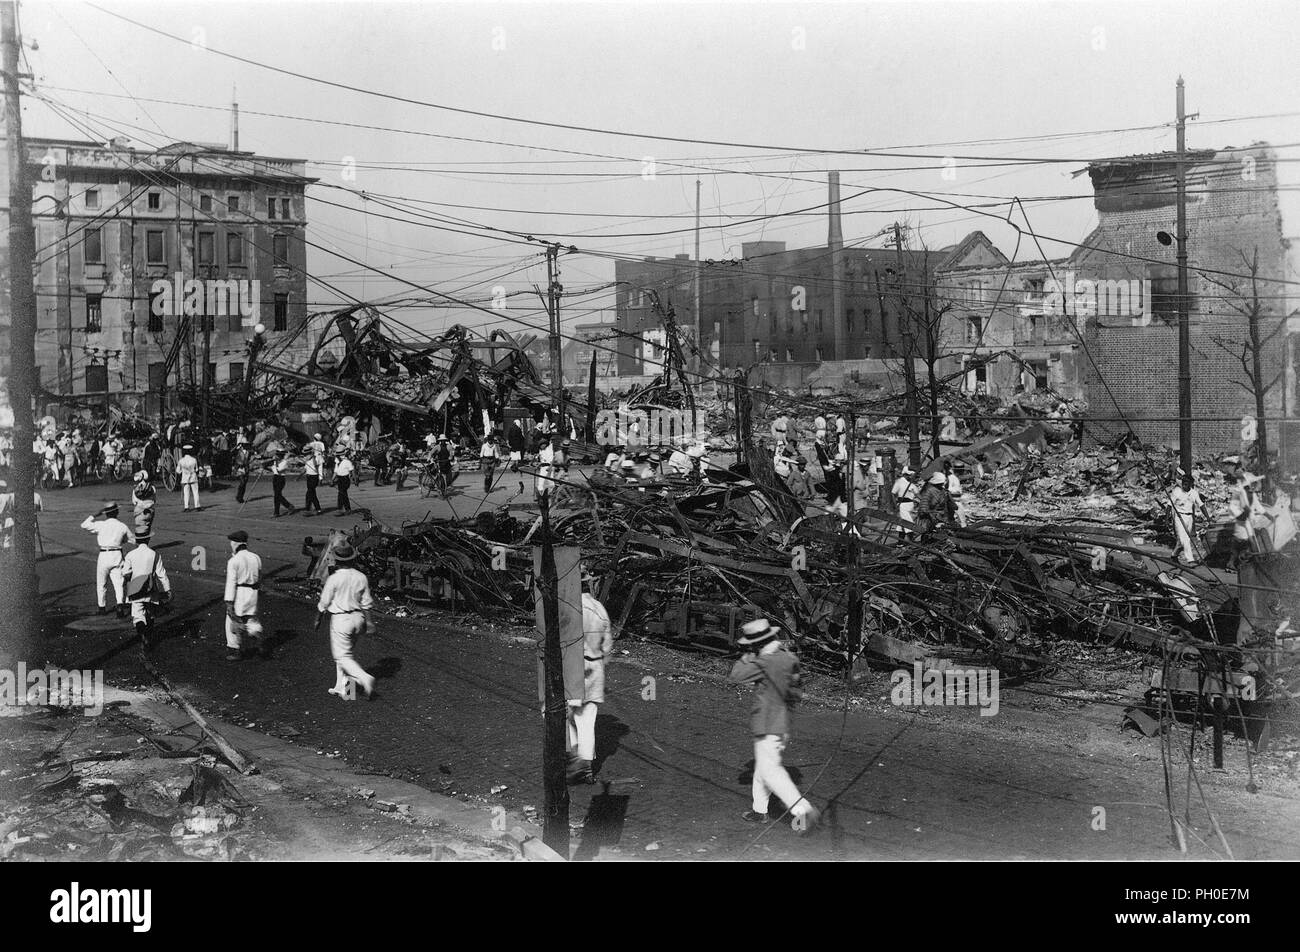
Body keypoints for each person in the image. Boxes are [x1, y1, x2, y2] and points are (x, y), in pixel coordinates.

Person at [729, 618, 819, 831]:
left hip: (766, 724)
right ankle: (759, 811)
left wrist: (749, 653)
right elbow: (795, 692)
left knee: (771, 771)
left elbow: (735, 676)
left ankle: (802, 810)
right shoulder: (789, 658)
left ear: (756, 643)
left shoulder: (762, 662)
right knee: (763, 768)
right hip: (782, 723)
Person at [568, 569, 613, 785]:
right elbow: (608, 647)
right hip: (596, 669)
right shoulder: (600, 609)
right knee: (587, 720)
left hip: (576, 666)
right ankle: (585, 767)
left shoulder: (573, 608)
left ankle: (573, 757)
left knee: (560, 713)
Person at [315, 544, 377, 698]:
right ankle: (345, 690)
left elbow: (324, 602)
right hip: (359, 618)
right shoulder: (361, 576)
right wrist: (369, 623)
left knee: (342, 657)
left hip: (341, 620)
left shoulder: (334, 578)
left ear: (337, 561)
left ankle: (365, 678)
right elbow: (366, 602)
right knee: (347, 654)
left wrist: (318, 619)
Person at [119, 514, 171, 649]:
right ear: (148, 539)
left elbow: (125, 573)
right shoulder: (154, 554)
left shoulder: (130, 555)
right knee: (151, 612)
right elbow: (161, 574)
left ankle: (143, 636)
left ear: (137, 540)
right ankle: (149, 634)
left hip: (135, 586)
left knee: (138, 615)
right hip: (150, 587)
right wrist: (167, 589)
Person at [81, 502, 131, 616]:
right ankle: (119, 605)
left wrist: (94, 515)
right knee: (118, 582)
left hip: (104, 554)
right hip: (117, 554)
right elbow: (131, 539)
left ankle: (102, 607)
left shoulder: (101, 525)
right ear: (117, 512)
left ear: (106, 514)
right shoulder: (122, 526)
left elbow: (84, 525)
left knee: (101, 583)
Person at [223, 529, 265, 661]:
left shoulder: (234, 561)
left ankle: (235, 649)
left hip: (240, 592)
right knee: (251, 618)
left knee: (233, 620)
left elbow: (231, 582)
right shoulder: (256, 557)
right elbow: (260, 577)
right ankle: (257, 638)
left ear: (235, 544)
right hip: (253, 592)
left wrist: (229, 602)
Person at [1169, 474, 1207, 565]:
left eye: (1187, 482)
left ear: (1191, 483)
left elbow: (1201, 505)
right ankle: (1190, 560)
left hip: (1189, 517)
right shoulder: (1177, 491)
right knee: (1185, 539)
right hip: (1179, 516)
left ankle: (1174, 555)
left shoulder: (1194, 493)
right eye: (1183, 482)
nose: (1184, 484)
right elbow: (1169, 505)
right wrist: (1168, 519)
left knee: (1182, 541)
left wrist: (1208, 517)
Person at [914, 471, 953, 537]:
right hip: (930, 516)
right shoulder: (930, 491)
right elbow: (924, 505)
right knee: (928, 533)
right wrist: (931, 514)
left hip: (941, 515)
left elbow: (947, 504)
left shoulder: (943, 491)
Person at [892, 466, 919, 540]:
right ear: (905, 474)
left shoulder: (911, 483)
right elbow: (893, 494)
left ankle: (900, 542)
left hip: (910, 505)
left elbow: (917, 494)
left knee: (902, 525)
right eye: (909, 475)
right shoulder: (899, 482)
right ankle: (911, 540)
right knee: (908, 523)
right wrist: (895, 505)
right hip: (902, 505)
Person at [302, 433, 326, 514]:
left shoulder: (313, 458)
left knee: (311, 493)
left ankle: (315, 508)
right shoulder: (321, 444)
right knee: (310, 492)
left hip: (313, 477)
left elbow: (316, 464)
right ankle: (309, 508)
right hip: (310, 476)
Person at [943, 460, 969, 528]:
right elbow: (947, 491)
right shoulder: (952, 478)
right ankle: (964, 532)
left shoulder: (955, 478)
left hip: (954, 501)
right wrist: (953, 502)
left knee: (953, 519)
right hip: (954, 501)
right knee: (962, 519)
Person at [272, 449, 297, 516]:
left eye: (279, 455)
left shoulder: (284, 462)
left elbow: (279, 470)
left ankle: (289, 506)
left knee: (277, 495)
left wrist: (275, 462)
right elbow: (274, 470)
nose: (277, 456)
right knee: (276, 495)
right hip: (275, 477)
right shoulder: (276, 461)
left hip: (281, 479)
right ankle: (276, 512)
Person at [131, 470, 157, 534]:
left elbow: (134, 502)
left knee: (140, 531)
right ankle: (146, 542)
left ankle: (142, 543)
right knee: (148, 528)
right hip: (150, 510)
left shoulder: (135, 489)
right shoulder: (152, 487)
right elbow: (154, 499)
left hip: (140, 511)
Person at [177, 443, 200, 512]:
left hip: (185, 478)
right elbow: (196, 469)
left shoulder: (181, 460)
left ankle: (186, 507)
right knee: (195, 492)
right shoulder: (194, 459)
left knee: (186, 493)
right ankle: (197, 506)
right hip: (193, 477)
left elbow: (178, 471)